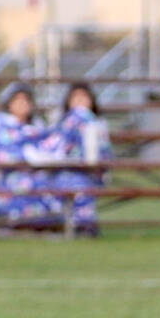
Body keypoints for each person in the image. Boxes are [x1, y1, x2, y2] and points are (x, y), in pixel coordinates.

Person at [23, 82, 112, 235]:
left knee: (77, 184)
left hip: (87, 174)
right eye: (75, 97)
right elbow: (52, 146)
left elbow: (102, 157)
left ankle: (81, 225)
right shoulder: (65, 123)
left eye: (83, 97)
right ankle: (69, 224)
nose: (79, 101)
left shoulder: (95, 124)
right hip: (60, 171)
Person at [0, 82, 57, 227]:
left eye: (26, 100)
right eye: (17, 100)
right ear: (9, 104)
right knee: (25, 187)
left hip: (39, 175)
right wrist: (27, 156)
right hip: (6, 178)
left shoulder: (38, 127)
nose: (22, 104)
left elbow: (50, 150)